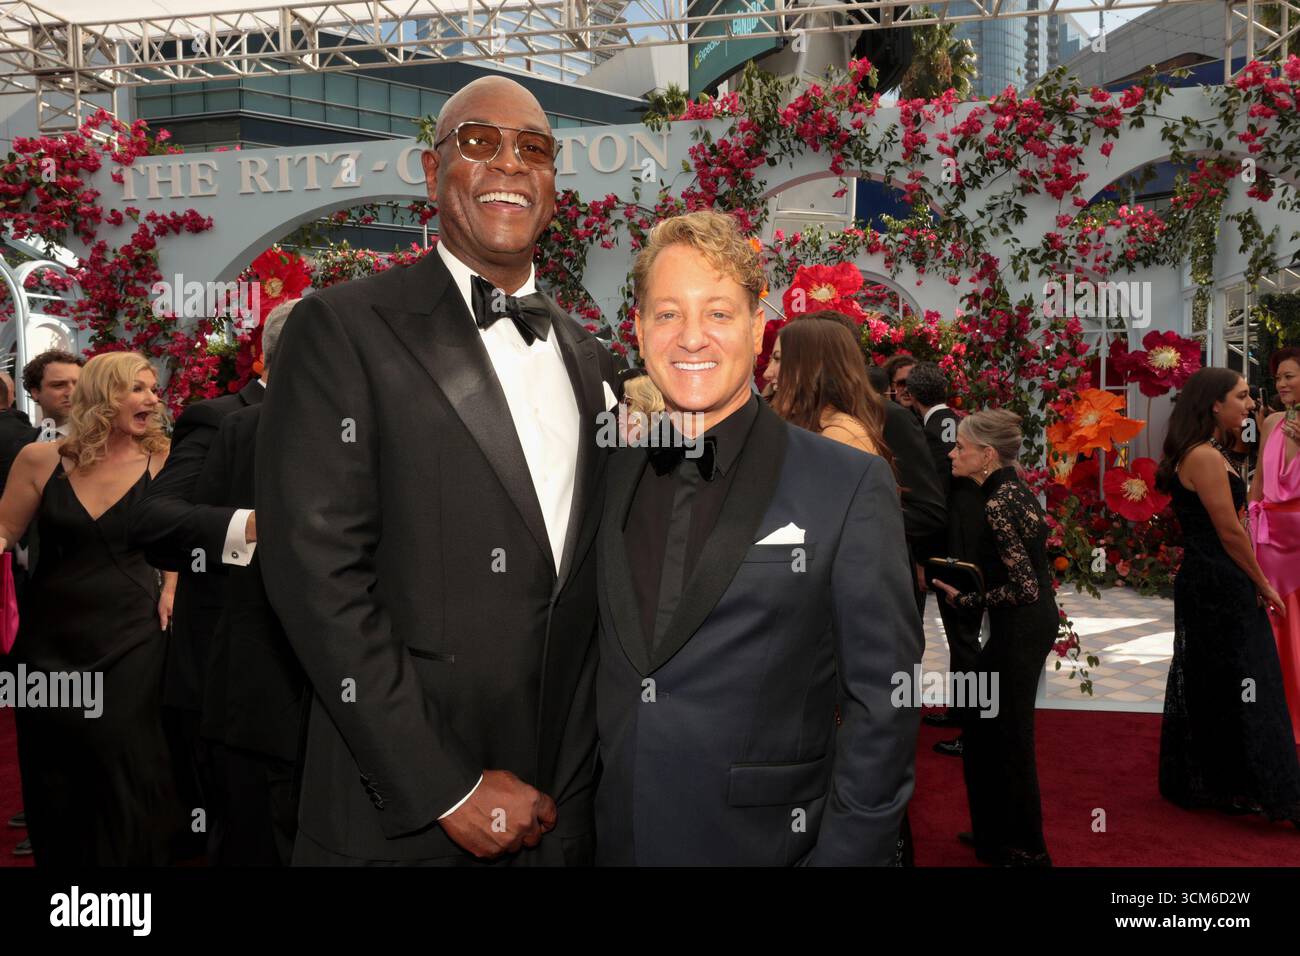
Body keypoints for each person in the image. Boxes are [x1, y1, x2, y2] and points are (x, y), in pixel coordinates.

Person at [256, 75, 622, 866]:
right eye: (480, 142)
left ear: (555, 184)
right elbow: (316, 577)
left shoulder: (595, 360)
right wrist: (444, 785)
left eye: (534, 149)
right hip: (403, 818)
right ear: (432, 171)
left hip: (567, 807)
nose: (510, 165)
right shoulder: (342, 328)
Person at [594, 210, 922, 865]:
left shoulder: (846, 483)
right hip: (614, 841)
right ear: (638, 329)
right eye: (667, 314)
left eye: (717, 312)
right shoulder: (609, 471)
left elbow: (883, 705)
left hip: (767, 846)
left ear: (756, 326)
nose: (692, 338)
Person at [131, 300, 306, 865]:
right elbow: (156, 523)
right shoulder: (220, 419)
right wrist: (251, 524)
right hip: (239, 684)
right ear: (268, 359)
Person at [0, 352, 183, 865]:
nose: (153, 398)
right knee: (53, 763)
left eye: (153, 388)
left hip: (133, 630)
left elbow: (183, 534)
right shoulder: (40, 460)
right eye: (138, 389)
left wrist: (172, 587)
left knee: (128, 758)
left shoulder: (167, 458)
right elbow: (5, 530)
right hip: (48, 639)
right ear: (103, 395)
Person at [1155, 367, 1300, 824]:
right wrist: (1263, 583)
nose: (1252, 404)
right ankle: (1262, 787)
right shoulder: (1202, 456)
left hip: (1212, 581)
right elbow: (1231, 533)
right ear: (1215, 405)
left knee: (1222, 682)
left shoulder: (1208, 451)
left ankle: (1225, 782)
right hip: (1220, 583)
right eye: (1242, 397)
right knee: (1251, 682)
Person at [931, 409, 1058, 867]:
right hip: (1029, 622)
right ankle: (995, 832)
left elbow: (1023, 587)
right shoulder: (1012, 489)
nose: (952, 452)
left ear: (986, 455)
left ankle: (1026, 847)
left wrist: (964, 600)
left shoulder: (999, 502)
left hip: (1021, 627)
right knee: (988, 729)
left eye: (960, 447)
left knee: (1007, 734)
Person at [787, 311, 947, 615]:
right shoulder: (802, 420)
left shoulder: (889, 417)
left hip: (875, 590)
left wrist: (855, 522)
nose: (771, 372)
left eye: (787, 359)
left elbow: (929, 512)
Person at [906, 361, 986, 752]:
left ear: (912, 395)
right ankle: (961, 712)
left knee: (963, 637)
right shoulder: (958, 424)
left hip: (950, 546)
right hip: (961, 541)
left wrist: (923, 558)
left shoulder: (930, 433)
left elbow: (931, 502)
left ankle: (974, 730)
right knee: (961, 636)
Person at [1249, 347, 1300, 745]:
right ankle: (1270, 713)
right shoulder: (1270, 423)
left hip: (1298, 540)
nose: (1282, 384)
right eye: (1279, 377)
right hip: (1267, 538)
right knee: (1272, 620)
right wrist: (1246, 523)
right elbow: (1258, 483)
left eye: (1290, 376)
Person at [769, 317, 890, 458]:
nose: (768, 373)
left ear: (815, 366)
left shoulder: (841, 436)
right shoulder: (815, 426)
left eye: (778, 359)